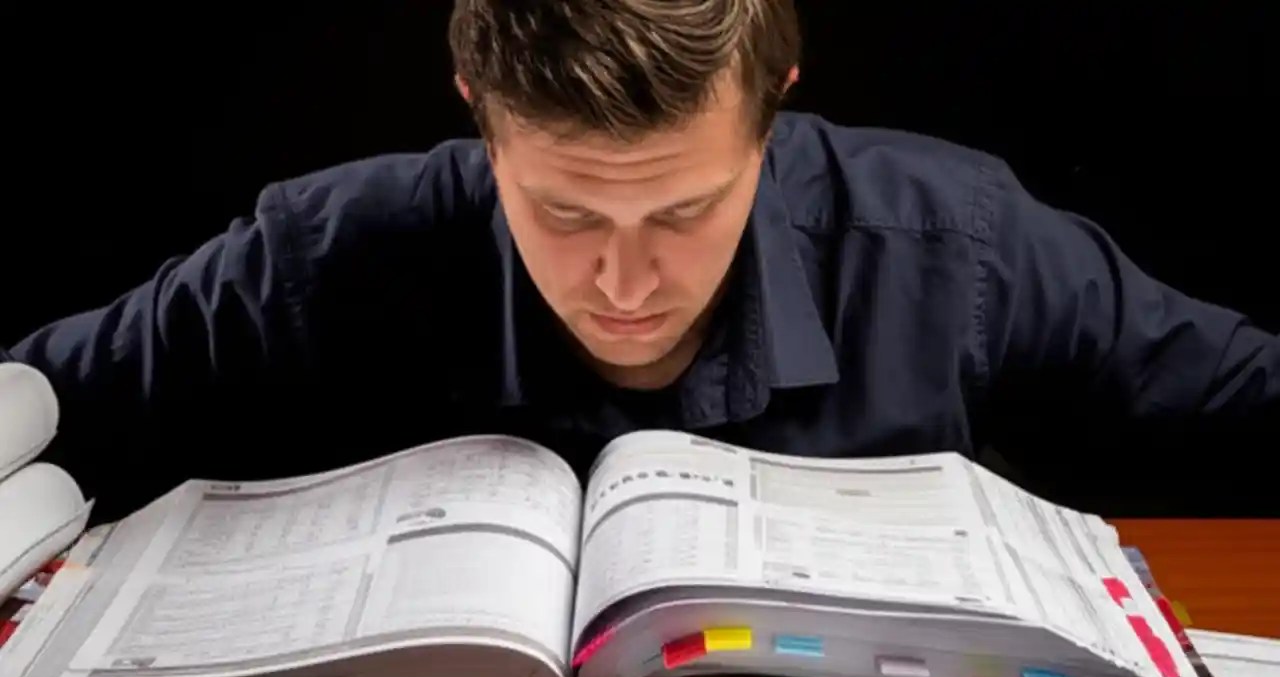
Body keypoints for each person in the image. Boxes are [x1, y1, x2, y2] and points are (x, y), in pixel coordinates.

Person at [4, 0, 1277, 522]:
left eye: (682, 213)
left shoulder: (957, 240)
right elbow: (42, 393)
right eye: (561, 214)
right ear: (474, 108)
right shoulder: (326, 248)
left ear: (775, 105)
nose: (622, 286)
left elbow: (1248, 398)